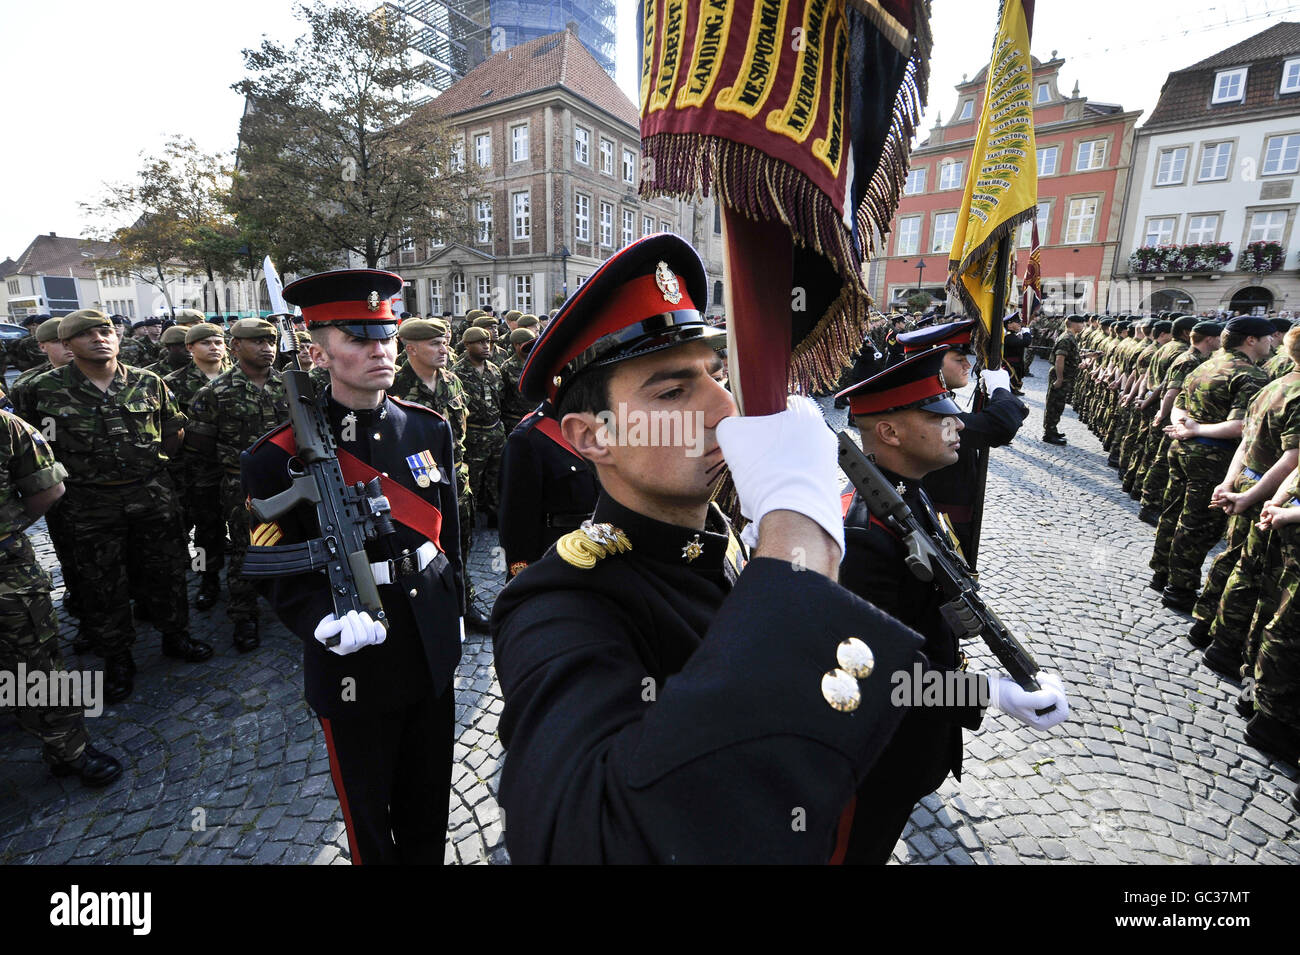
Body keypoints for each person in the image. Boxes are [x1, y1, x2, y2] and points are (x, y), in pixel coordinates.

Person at [490, 233, 930, 863]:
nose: (724, 407)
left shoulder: (721, 534)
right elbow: (595, 841)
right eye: (672, 393)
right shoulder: (560, 604)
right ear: (592, 438)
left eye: (717, 375)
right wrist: (797, 537)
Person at [241, 269, 463, 865]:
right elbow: (273, 560)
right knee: (368, 817)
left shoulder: (427, 427)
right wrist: (318, 619)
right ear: (317, 352)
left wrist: (455, 605)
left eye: (385, 336)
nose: (380, 351)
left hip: (428, 643)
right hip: (354, 658)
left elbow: (450, 529)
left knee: (428, 803)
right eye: (358, 338)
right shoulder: (274, 457)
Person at [834, 348, 1069, 863]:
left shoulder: (905, 496)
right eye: (939, 416)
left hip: (913, 744)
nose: (957, 424)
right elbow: (872, 674)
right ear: (890, 433)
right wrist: (990, 693)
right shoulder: (866, 531)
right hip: (876, 757)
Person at [18, 309, 207, 704]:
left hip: (151, 494)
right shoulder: (41, 390)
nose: (100, 339)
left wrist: (148, 469)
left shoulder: (147, 382)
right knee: (101, 582)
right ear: (67, 345)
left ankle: (176, 635)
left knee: (167, 569)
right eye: (87, 335)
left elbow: (173, 433)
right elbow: (33, 450)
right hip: (88, 503)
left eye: (106, 332)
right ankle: (118, 658)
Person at [0, 408, 122, 786]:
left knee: (34, 662)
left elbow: (47, 488)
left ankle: (68, 749)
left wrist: (7, 531)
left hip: (5, 572)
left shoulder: (4, 425)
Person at [1152, 316, 1273, 611]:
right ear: (1251, 340)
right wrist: (1195, 430)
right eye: (1268, 337)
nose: (1273, 342)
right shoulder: (1250, 375)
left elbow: (1178, 402)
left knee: (1173, 512)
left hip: (1183, 449)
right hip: (1212, 455)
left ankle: (1161, 572)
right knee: (1199, 525)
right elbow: (1239, 427)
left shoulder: (1207, 364)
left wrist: (1183, 427)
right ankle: (1179, 588)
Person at [187, 319, 289, 652]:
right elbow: (200, 444)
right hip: (240, 483)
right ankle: (244, 615)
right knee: (248, 549)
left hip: (289, 479)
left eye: (271, 341)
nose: (267, 348)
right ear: (236, 347)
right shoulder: (215, 392)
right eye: (257, 341)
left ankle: (296, 602)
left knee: (297, 539)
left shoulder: (290, 385)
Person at [894, 319, 1028, 562]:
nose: (968, 364)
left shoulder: (935, 400)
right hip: (937, 526)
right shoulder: (928, 408)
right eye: (959, 359)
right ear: (931, 363)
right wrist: (1001, 391)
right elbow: (998, 426)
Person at [389, 317, 485, 631]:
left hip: (456, 483)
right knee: (419, 554)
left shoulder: (452, 381)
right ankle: (426, 610)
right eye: (434, 344)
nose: (443, 349)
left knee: (461, 547)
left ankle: (462, 602)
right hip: (414, 492)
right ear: (411, 348)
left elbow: (460, 438)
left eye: (444, 342)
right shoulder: (393, 388)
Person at [163, 323, 230, 610]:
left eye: (218, 341)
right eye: (206, 343)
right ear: (190, 348)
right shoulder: (172, 383)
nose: (214, 347)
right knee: (205, 529)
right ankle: (207, 578)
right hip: (197, 469)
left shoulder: (239, 375)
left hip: (236, 465)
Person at [497, 398, 600, 577]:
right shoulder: (527, 438)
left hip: (597, 553)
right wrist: (523, 575)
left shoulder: (598, 428)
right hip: (555, 559)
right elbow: (516, 522)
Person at [455, 326, 505, 529]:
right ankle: (471, 522)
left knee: (497, 476)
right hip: (473, 436)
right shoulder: (458, 373)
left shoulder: (494, 369)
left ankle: (496, 516)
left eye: (488, 342)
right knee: (473, 481)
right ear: (467, 345)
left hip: (496, 432)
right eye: (480, 342)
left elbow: (501, 398)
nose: (486, 346)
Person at [1043, 314, 1084, 444]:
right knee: (1054, 404)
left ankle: (1052, 429)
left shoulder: (1070, 337)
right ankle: (1049, 433)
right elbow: (1059, 359)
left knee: (1058, 405)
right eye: (1081, 323)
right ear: (1075, 324)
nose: (1083, 326)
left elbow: (1070, 357)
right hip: (1061, 376)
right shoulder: (1067, 338)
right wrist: (1059, 378)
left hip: (1065, 376)